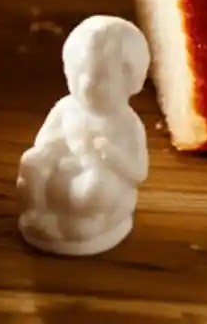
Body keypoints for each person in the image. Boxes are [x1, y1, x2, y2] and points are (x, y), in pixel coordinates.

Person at [17, 15, 150, 256]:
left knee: (99, 185)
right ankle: (37, 214)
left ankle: (88, 224)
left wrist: (111, 156)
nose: (86, 84)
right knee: (31, 162)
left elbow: (139, 172)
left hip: (98, 186)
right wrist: (51, 151)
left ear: (131, 82)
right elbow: (46, 140)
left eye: (101, 78)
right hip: (63, 172)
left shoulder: (126, 124)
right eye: (77, 72)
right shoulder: (66, 108)